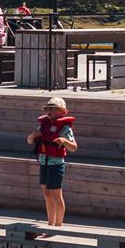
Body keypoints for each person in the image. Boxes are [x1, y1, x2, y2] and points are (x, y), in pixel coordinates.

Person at [26, 96, 78, 228]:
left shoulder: (65, 128)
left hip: (56, 164)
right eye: (48, 109)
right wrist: (33, 135)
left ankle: (58, 225)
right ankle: (50, 224)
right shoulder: (43, 125)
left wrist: (64, 141)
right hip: (44, 163)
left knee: (56, 194)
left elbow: (74, 147)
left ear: (62, 112)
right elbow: (29, 141)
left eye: (54, 109)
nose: (50, 111)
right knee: (47, 194)